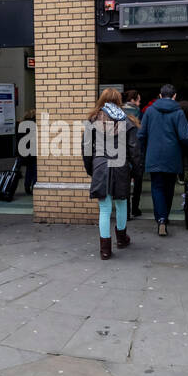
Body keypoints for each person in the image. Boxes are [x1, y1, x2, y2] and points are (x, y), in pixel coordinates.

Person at [83, 88, 143, 260]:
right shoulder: (128, 121)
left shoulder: (92, 120)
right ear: (119, 101)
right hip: (121, 166)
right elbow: (134, 150)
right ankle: (122, 240)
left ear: (102, 100)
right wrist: (137, 172)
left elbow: (86, 149)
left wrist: (91, 169)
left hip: (100, 167)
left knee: (104, 208)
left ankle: (105, 250)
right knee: (122, 203)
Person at [137, 83, 188, 237]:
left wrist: (140, 153)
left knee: (157, 187)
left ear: (160, 95)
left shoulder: (150, 111)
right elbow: (185, 135)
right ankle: (164, 217)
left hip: (154, 156)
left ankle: (160, 219)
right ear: (174, 96)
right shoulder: (178, 112)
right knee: (168, 188)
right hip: (172, 156)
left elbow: (142, 135)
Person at [122, 89, 144, 219]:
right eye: (139, 100)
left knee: (124, 184)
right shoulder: (138, 113)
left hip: (122, 152)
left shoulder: (118, 112)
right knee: (138, 182)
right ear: (133, 100)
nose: (140, 103)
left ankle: (126, 212)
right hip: (136, 150)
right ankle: (135, 209)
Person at [17, 107, 38, 194]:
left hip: (24, 151)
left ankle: (26, 185)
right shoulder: (35, 125)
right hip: (33, 151)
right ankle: (34, 186)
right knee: (35, 169)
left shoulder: (21, 124)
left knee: (29, 169)